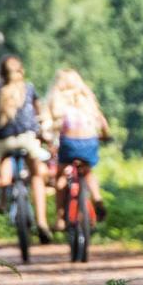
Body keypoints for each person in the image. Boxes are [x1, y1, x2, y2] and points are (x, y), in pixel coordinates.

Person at [0, 55, 54, 243]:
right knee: (35, 175)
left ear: (1, 74)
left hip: (5, 140)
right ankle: (42, 222)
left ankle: (2, 201)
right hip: (28, 137)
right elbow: (38, 112)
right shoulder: (29, 88)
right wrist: (42, 132)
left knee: (4, 166)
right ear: (21, 71)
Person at [44, 69, 111, 225]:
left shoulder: (58, 100)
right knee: (87, 170)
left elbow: (51, 126)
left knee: (60, 176)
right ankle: (97, 198)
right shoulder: (86, 100)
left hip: (69, 143)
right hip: (90, 141)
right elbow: (102, 122)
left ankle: (60, 218)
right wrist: (105, 136)